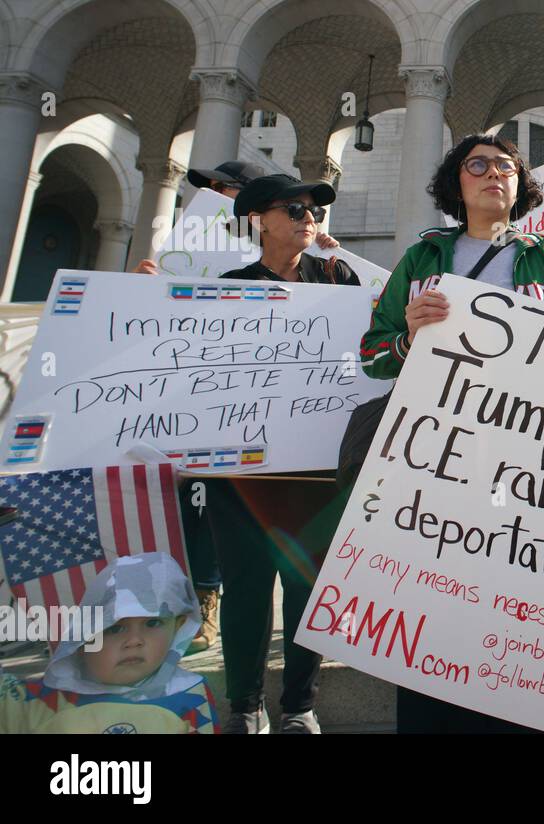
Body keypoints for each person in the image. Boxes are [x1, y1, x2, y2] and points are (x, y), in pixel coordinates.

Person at [360, 133, 544, 733]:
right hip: (434, 459)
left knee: (515, 588)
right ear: (456, 183)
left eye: (507, 167)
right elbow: (371, 355)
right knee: (430, 590)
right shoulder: (422, 259)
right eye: (478, 165)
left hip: (524, 457)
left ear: (520, 185)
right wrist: (408, 339)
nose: (494, 174)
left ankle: (517, 702)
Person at [205, 174, 359, 734]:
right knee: (244, 589)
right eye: (293, 208)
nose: (308, 216)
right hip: (242, 472)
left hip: (315, 470)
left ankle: (299, 705)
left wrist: (349, 271)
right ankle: (245, 704)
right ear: (258, 220)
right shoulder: (230, 286)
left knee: (308, 588)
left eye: (314, 209)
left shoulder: (338, 280)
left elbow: (368, 345)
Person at [0, 553, 218, 734]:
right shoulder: (36, 699)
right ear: (83, 639)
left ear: (178, 627)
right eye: (114, 628)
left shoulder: (188, 694)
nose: (134, 640)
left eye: (153, 622)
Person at [134, 160, 339, 275]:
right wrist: (142, 287)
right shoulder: (194, 236)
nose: (209, 194)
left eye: (219, 187)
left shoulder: (315, 258)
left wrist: (324, 251)